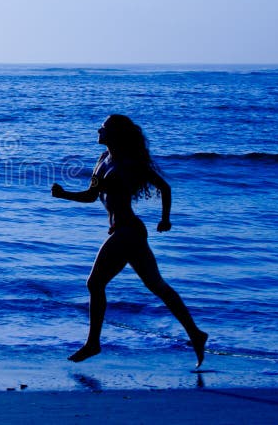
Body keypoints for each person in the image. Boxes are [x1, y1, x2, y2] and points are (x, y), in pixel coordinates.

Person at [51, 114, 208, 368]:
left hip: (128, 231)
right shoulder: (102, 160)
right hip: (123, 232)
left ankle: (93, 343)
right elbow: (92, 196)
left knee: (94, 283)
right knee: (158, 287)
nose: (98, 129)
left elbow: (165, 188)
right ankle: (196, 333)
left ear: (115, 133)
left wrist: (165, 219)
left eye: (103, 127)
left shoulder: (130, 162)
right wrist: (63, 195)